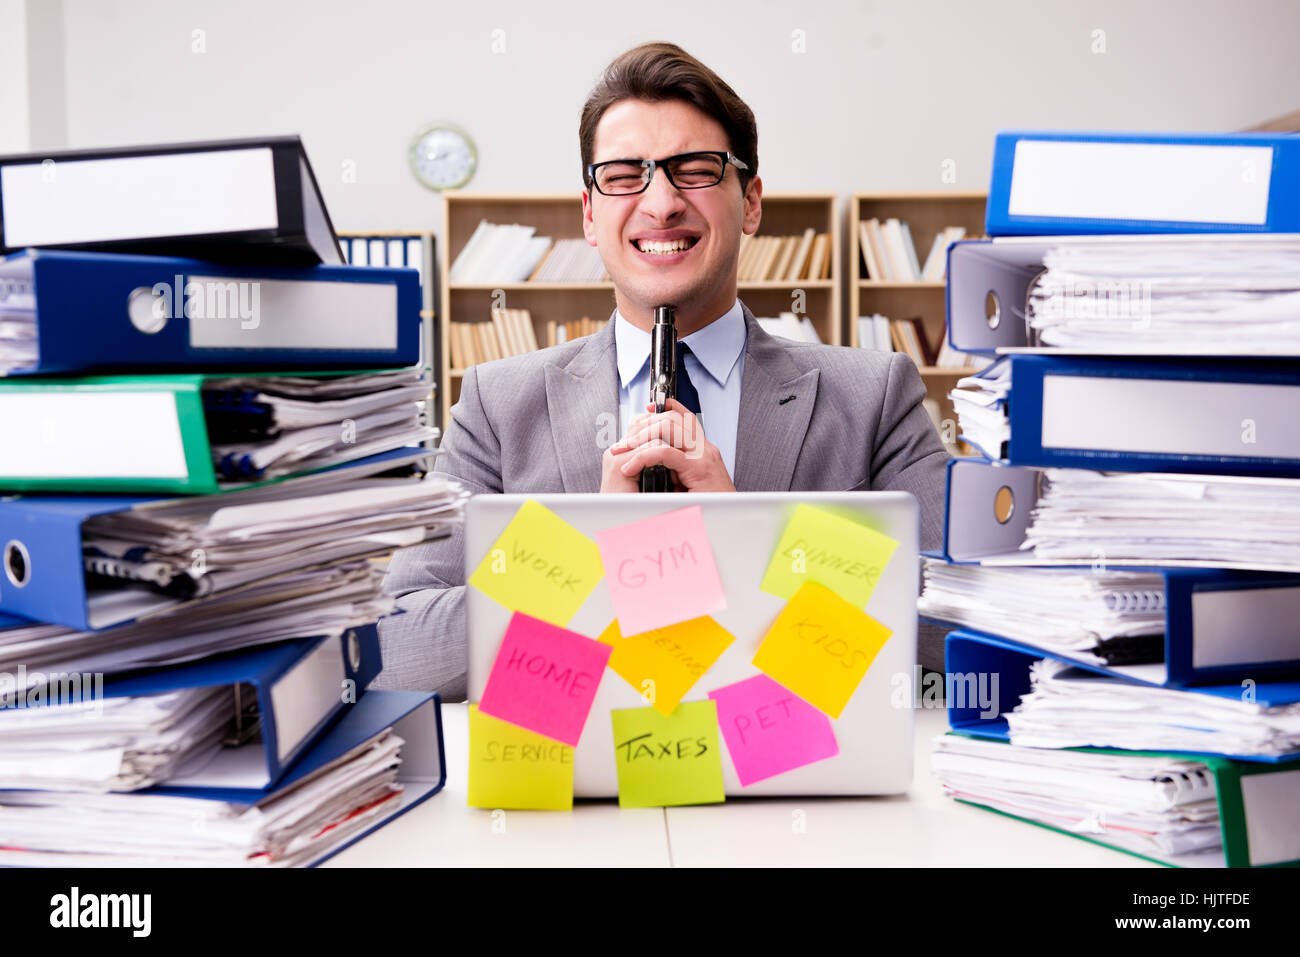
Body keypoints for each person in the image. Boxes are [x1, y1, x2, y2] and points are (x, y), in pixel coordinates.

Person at [372, 41, 950, 699]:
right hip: (581, 793)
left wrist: (744, 539)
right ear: (591, 214)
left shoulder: (875, 396)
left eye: (696, 169)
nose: (661, 202)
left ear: (751, 201)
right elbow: (398, 648)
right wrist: (600, 565)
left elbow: (953, 637)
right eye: (623, 175)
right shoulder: (498, 406)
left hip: (794, 790)